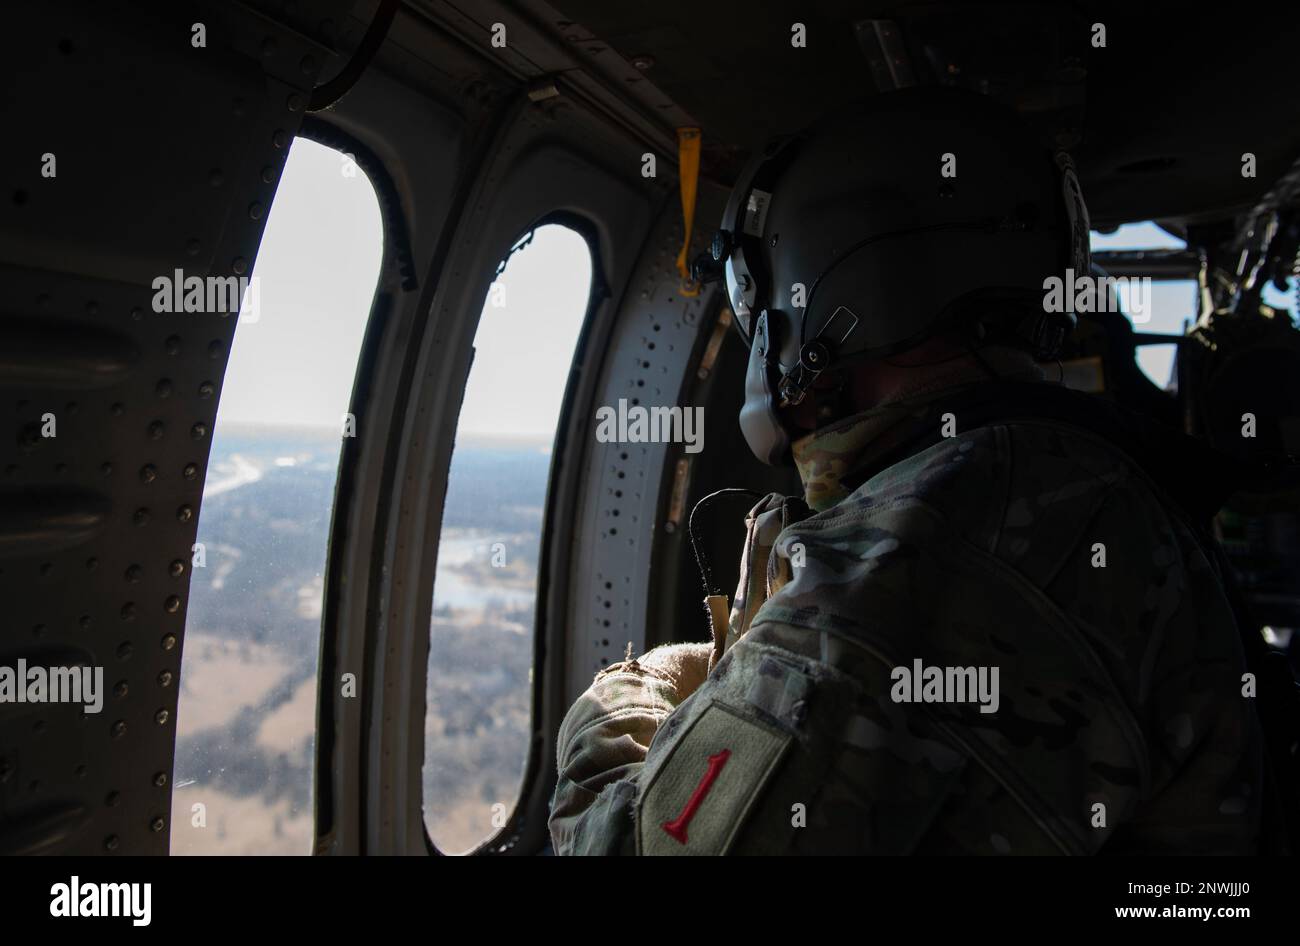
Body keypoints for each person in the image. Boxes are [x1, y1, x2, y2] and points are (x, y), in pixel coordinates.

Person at [548, 87, 1265, 855]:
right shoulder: (1074, 482)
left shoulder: (929, 547)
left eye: (754, 292)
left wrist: (622, 700)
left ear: (823, 286)